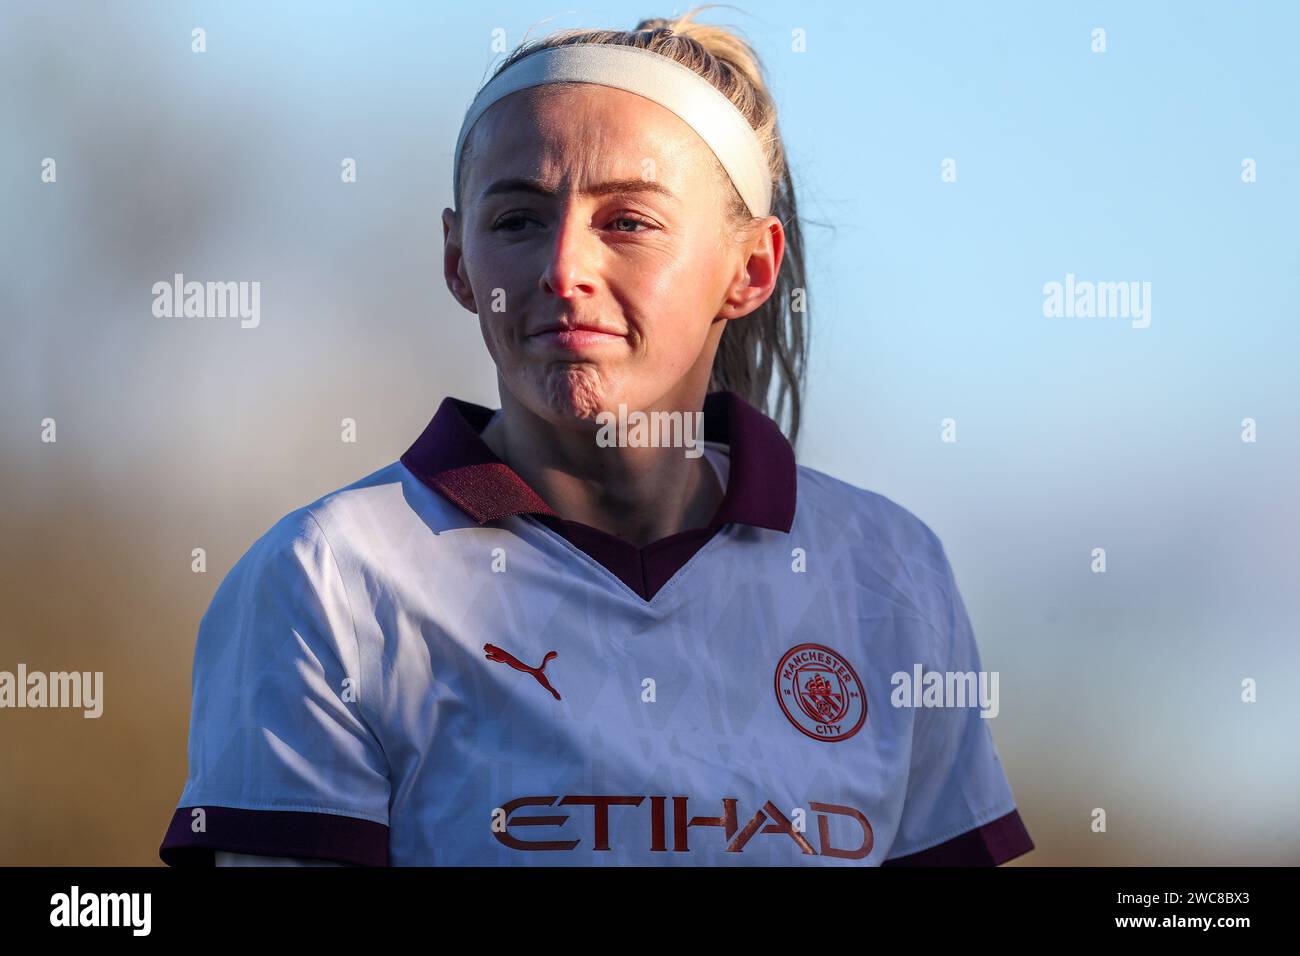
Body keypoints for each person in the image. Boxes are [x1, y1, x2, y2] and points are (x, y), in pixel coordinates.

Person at [160, 8, 1033, 867]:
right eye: (517, 220)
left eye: (629, 222)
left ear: (751, 269)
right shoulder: (331, 577)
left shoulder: (888, 573)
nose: (563, 268)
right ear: (458, 261)